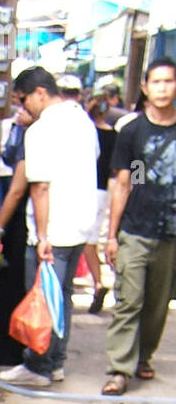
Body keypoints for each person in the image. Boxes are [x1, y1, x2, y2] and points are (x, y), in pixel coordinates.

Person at [0, 66, 99, 387]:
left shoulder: (40, 131)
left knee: (42, 296)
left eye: (23, 100)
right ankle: (55, 362)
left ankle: (38, 365)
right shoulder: (83, 120)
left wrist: (42, 236)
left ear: (40, 93)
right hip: (79, 224)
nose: (22, 108)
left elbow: (38, 187)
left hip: (52, 230)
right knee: (61, 296)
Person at [101, 57, 176, 395]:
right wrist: (112, 235)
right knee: (129, 300)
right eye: (156, 82)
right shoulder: (133, 132)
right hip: (135, 230)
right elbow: (127, 181)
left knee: (158, 305)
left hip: (170, 234)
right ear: (145, 88)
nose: (162, 88)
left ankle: (144, 357)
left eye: (169, 82)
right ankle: (119, 368)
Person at [0, 106, 32, 368]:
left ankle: (10, 355)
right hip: (26, 221)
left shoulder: (35, 135)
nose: (19, 111)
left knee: (12, 288)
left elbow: (16, 190)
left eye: (24, 103)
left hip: (21, 224)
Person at [85, 91, 117, 314]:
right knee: (92, 241)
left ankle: (98, 283)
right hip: (104, 191)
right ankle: (99, 283)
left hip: (88, 190)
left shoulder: (87, 132)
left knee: (88, 241)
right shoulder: (115, 135)